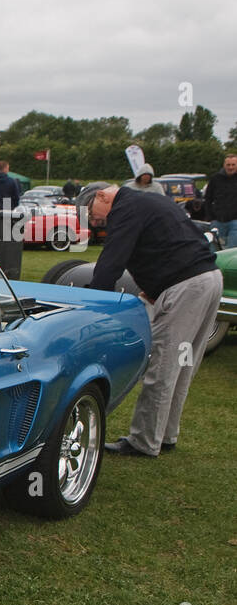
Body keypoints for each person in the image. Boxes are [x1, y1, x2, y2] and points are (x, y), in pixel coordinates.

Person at [86, 186, 221, 457]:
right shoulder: (150, 201)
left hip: (186, 288)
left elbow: (112, 259)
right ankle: (166, 434)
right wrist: (157, 287)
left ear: (103, 196)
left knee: (163, 364)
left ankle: (144, 441)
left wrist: (89, 302)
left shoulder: (125, 207)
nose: (94, 219)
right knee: (183, 362)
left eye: (93, 212)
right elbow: (178, 240)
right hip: (208, 279)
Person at [203, 154, 237, 249]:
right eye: (228, 164)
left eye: (233, 164)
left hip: (235, 222)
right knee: (214, 251)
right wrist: (210, 217)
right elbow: (208, 199)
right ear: (224, 165)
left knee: (232, 252)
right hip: (217, 221)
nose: (230, 167)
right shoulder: (215, 179)